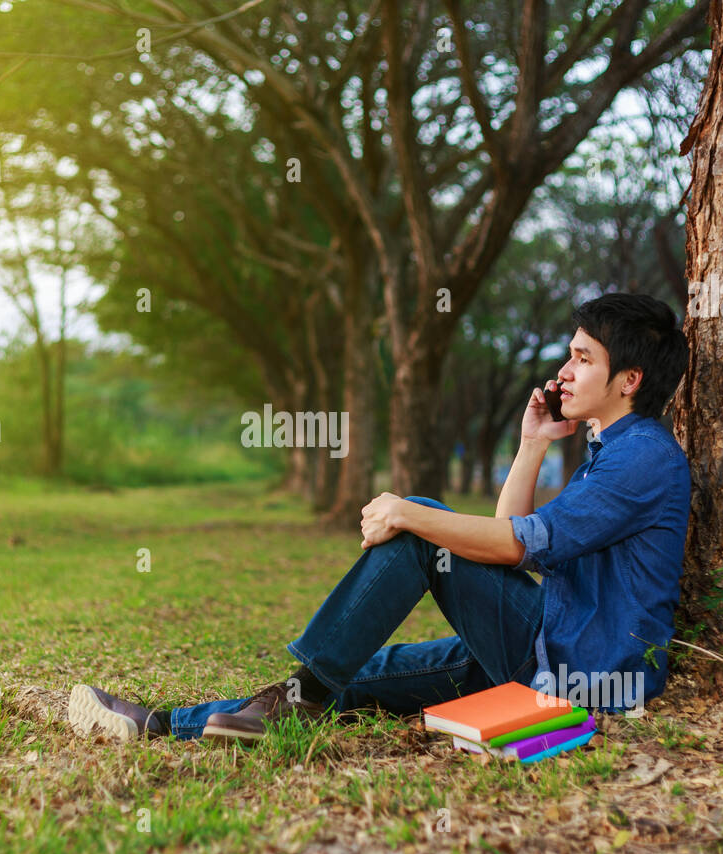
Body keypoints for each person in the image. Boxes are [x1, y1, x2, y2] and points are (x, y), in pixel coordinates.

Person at [67, 292, 691, 743]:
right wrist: (532, 444)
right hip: (544, 645)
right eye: (569, 355)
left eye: (582, 358)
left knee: (419, 521)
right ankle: (162, 725)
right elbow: (511, 536)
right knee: (362, 677)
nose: (563, 371)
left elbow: (512, 545)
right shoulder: (608, 449)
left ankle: (301, 696)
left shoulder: (642, 458)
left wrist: (405, 513)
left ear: (629, 378)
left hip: (585, 679)